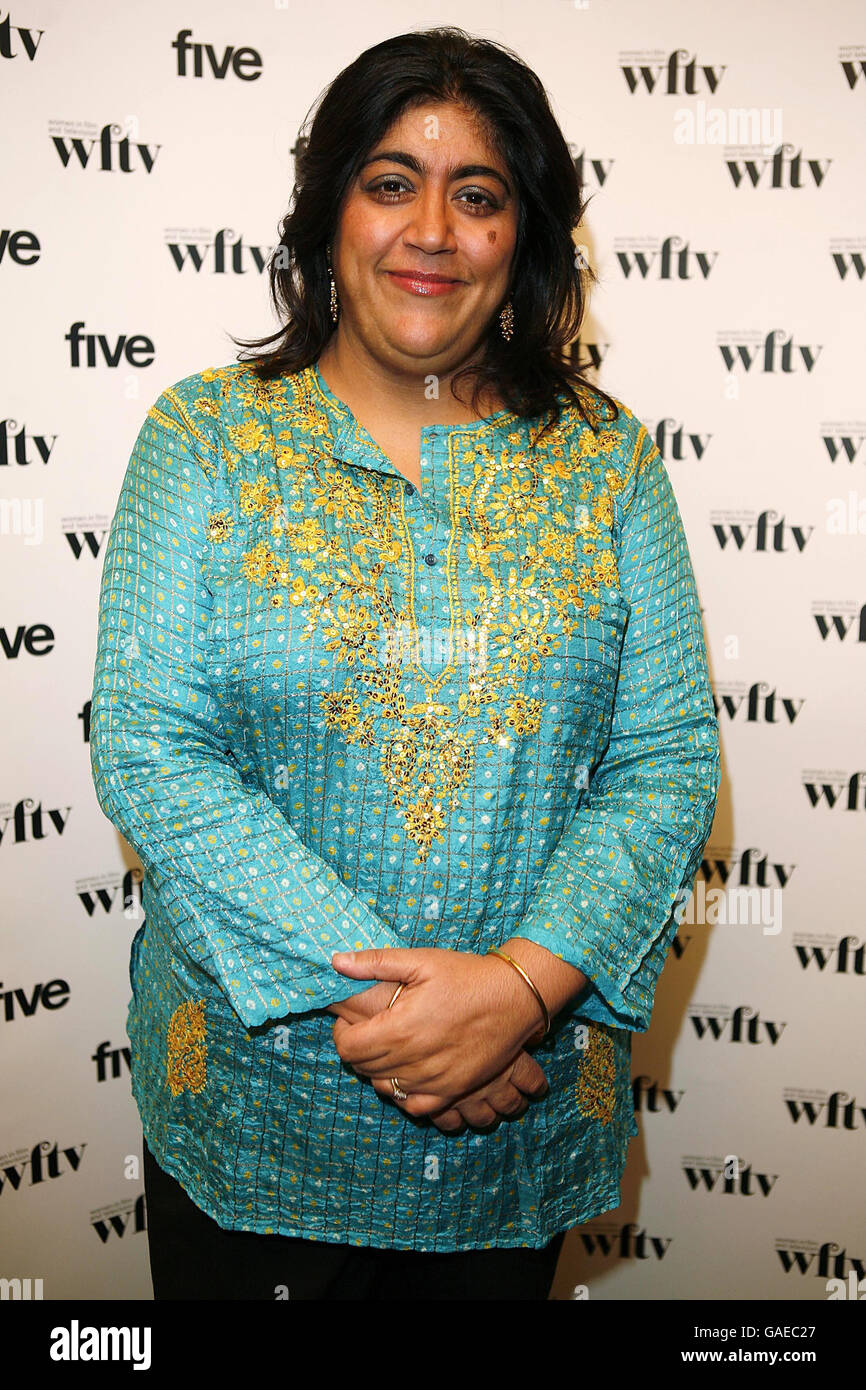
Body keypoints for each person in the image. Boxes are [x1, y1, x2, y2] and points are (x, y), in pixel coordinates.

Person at [89, 25, 720, 1301]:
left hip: (515, 1126)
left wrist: (519, 992)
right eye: (391, 183)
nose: (431, 231)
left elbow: (663, 761)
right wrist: (421, 1022)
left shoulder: (605, 463)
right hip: (259, 1123)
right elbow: (151, 749)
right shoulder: (205, 440)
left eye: (476, 196)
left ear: (521, 239)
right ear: (328, 216)